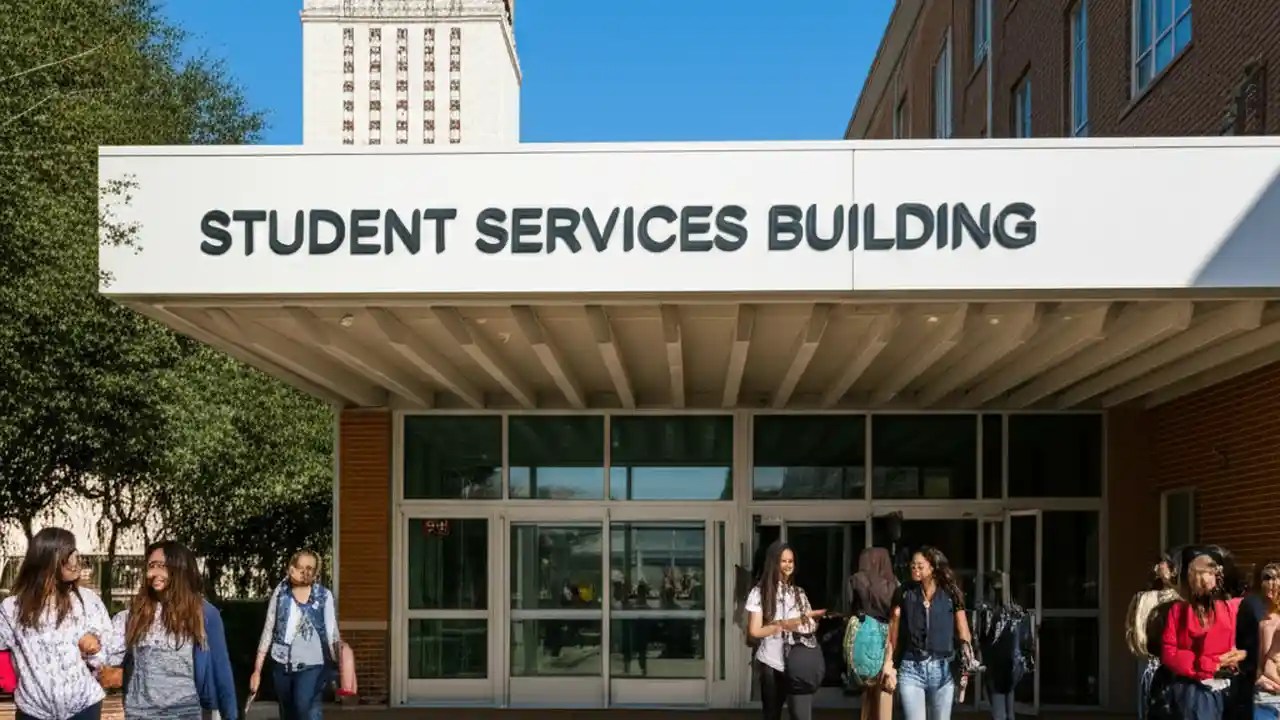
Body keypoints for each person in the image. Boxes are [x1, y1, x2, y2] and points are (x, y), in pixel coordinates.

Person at [101, 541, 237, 720]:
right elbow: (111, 658)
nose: (153, 573)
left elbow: (222, 671)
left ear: (179, 569)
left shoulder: (203, 613)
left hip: (186, 711)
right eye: (151, 566)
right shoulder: (134, 614)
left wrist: (230, 715)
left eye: (161, 566)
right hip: (140, 713)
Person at [0, 527, 113, 720]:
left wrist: (95, 646)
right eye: (69, 554)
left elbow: (108, 650)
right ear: (49, 559)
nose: (76, 561)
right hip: (33, 711)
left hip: (84, 707)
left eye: (76, 554)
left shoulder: (87, 600)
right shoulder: (12, 608)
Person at [881, 546, 976, 720]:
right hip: (911, 668)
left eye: (920, 566)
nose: (915, 569)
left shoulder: (950, 593)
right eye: (912, 566)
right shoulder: (904, 592)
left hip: (942, 668)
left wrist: (967, 663)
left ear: (932, 567)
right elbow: (892, 630)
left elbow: (963, 630)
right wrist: (888, 662)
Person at [251, 550, 342, 720]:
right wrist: (257, 670)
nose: (305, 572)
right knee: (291, 712)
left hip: (313, 665)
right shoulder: (280, 594)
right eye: (301, 567)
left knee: (303, 705)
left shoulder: (323, 596)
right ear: (291, 568)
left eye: (310, 568)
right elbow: (268, 630)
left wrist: (342, 666)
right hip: (282, 665)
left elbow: (332, 634)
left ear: (315, 573)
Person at [1158, 545, 1245, 720]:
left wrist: (1241, 655)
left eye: (1213, 574)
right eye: (1204, 575)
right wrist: (1209, 663)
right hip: (1197, 690)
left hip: (1230, 688)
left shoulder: (1231, 608)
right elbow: (1169, 653)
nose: (1209, 581)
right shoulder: (1179, 611)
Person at [744, 540, 826, 720]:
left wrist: (812, 621)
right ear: (774, 563)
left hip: (797, 663)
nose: (788, 565)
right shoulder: (759, 593)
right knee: (772, 715)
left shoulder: (799, 593)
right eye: (783, 561)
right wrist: (783, 624)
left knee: (801, 715)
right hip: (771, 664)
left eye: (791, 561)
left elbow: (808, 627)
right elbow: (755, 631)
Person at [975, 570, 1035, 720]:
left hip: (999, 665)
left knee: (1000, 710)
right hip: (1011, 663)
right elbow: (1025, 640)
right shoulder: (1017, 612)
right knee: (1007, 709)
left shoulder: (989, 612)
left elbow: (983, 639)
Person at [1128, 552, 1181, 720]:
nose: (1158, 567)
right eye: (1157, 564)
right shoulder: (1143, 598)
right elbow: (1132, 628)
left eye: (1163, 563)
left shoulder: (1181, 598)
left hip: (1173, 661)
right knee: (1147, 706)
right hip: (1149, 660)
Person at [845, 547, 896, 720]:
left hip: (864, 636)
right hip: (887, 637)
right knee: (885, 686)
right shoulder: (893, 584)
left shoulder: (856, 579)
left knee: (867, 692)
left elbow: (850, 607)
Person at [1251, 562, 1280, 719]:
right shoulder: (1263, 623)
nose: (1270, 583)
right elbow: (1261, 665)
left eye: (1275, 578)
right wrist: (1260, 677)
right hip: (1267, 696)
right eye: (1266, 578)